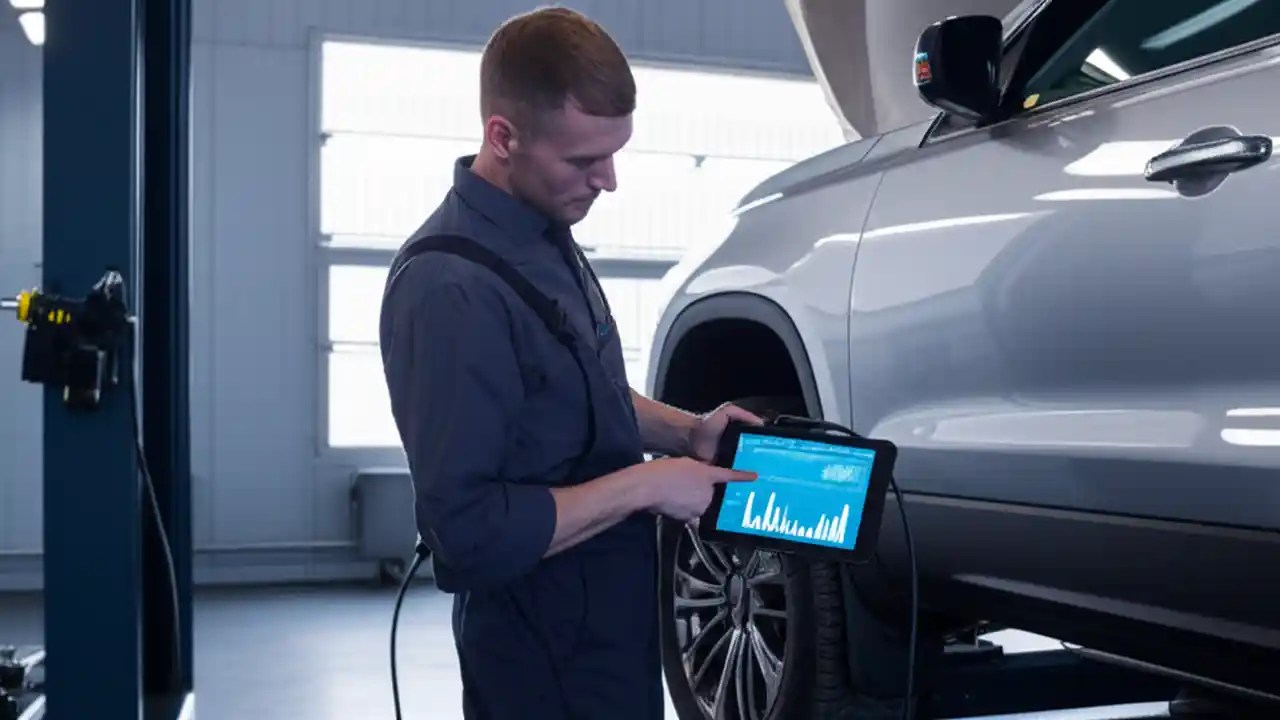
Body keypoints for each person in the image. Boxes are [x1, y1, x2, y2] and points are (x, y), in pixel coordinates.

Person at [378, 7, 762, 720]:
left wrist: (688, 435)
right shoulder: (448, 289)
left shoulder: (546, 232)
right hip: (538, 656)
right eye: (585, 161)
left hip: (609, 631)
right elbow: (467, 535)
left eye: (614, 154)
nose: (608, 181)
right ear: (503, 136)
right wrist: (648, 487)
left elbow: (575, 388)